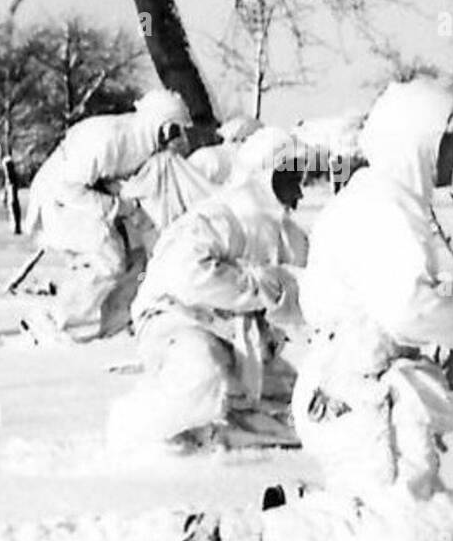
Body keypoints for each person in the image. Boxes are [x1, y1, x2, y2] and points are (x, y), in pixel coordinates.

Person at [288, 78, 453, 541]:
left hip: (349, 384)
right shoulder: (384, 208)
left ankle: (280, 532)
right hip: (360, 395)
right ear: (420, 144)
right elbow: (409, 309)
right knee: (398, 533)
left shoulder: (377, 198)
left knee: (409, 518)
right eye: (450, 142)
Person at [107, 127, 309, 455]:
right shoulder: (218, 218)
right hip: (178, 321)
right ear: (264, 175)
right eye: (290, 177)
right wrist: (261, 286)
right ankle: (141, 430)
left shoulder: (292, 238)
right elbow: (187, 275)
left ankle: (222, 434)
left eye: (300, 177)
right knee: (203, 375)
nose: (299, 192)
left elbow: (305, 293)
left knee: (301, 403)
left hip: (243, 343)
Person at [21, 89, 196, 340]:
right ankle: (52, 321)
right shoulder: (110, 140)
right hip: (59, 202)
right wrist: (115, 207)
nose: (175, 138)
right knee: (109, 258)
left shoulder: (144, 147)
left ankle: (116, 319)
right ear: (159, 124)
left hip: (90, 201)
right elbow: (68, 187)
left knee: (138, 259)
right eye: (173, 130)